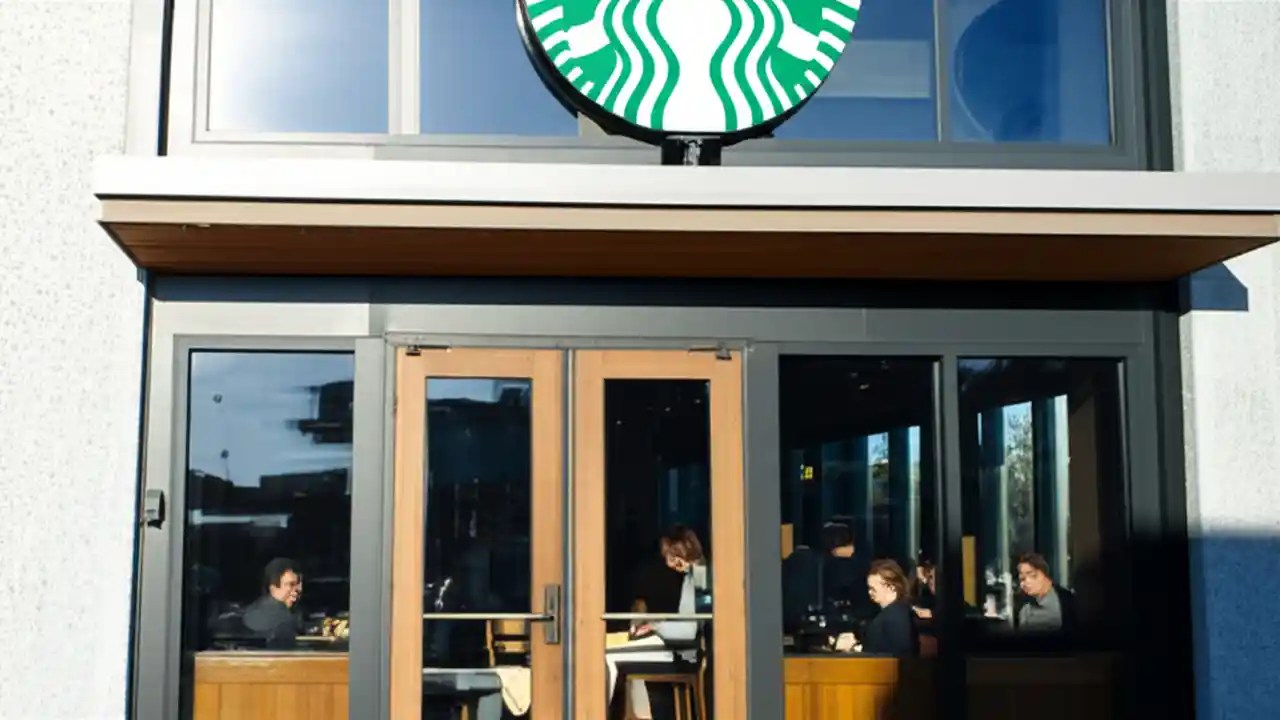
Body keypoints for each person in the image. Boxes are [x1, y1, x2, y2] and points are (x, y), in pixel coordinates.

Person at [607, 525, 705, 720]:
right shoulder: (696, 573)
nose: (667, 562)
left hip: (684, 654)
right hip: (684, 649)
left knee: (610, 656)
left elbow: (688, 630)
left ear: (680, 551)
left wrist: (655, 625)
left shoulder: (698, 576)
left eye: (668, 555)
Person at [858, 559, 919, 658]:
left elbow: (899, 654)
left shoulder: (895, 617)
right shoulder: (896, 612)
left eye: (873, 589)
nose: (869, 593)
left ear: (891, 587)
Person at [243, 557, 303, 648]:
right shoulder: (276, 620)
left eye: (299, 584)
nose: (299, 589)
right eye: (291, 584)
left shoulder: (294, 614)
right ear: (273, 587)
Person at [1015, 553, 1076, 634]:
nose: (1026, 582)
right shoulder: (1022, 605)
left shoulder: (1066, 601)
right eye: (1022, 579)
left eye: (1033, 576)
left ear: (1046, 576)